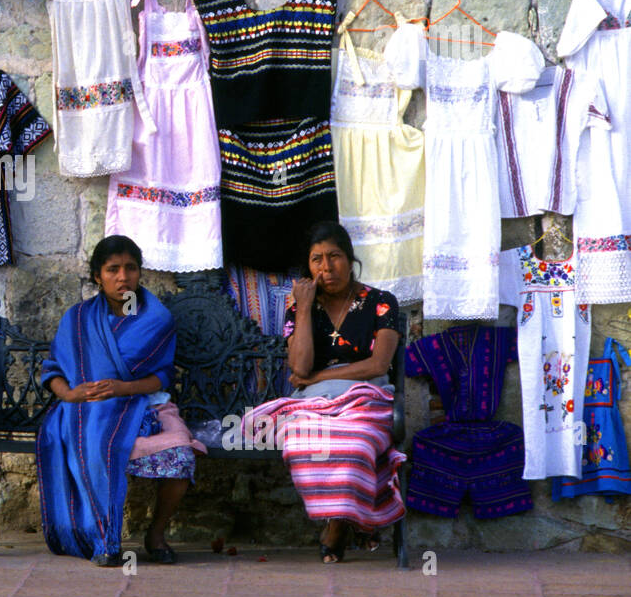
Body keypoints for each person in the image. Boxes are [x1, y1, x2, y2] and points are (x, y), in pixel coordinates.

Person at [243, 221, 407, 563]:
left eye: (334, 256)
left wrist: (320, 375)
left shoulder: (381, 302)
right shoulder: (301, 307)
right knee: (301, 439)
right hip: (315, 402)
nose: (326, 267)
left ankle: (336, 525)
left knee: (356, 444)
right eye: (316, 259)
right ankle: (342, 517)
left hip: (367, 397)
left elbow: (378, 365)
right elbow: (299, 369)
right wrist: (303, 307)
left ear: (350, 260)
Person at [36, 235, 205, 567]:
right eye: (112, 269)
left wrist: (121, 389)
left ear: (140, 273)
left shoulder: (156, 319)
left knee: (182, 457)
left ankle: (155, 534)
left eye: (130, 268)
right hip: (86, 412)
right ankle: (103, 539)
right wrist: (70, 394)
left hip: (147, 407)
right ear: (98, 276)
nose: (123, 277)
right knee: (96, 445)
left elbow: (163, 376)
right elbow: (53, 369)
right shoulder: (78, 318)